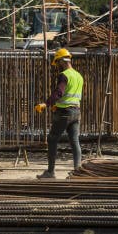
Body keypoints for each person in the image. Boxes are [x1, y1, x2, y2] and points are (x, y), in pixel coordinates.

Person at [35, 48, 83, 179]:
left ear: (62, 61)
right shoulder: (78, 75)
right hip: (76, 111)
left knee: (52, 139)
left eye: (58, 63)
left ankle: (50, 172)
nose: (58, 66)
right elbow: (71, 95)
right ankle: (78, 171)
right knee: (74, 140)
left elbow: (59, 92)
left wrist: (46, 104)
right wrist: (57, 104)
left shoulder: (64, 75)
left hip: (64, 113)